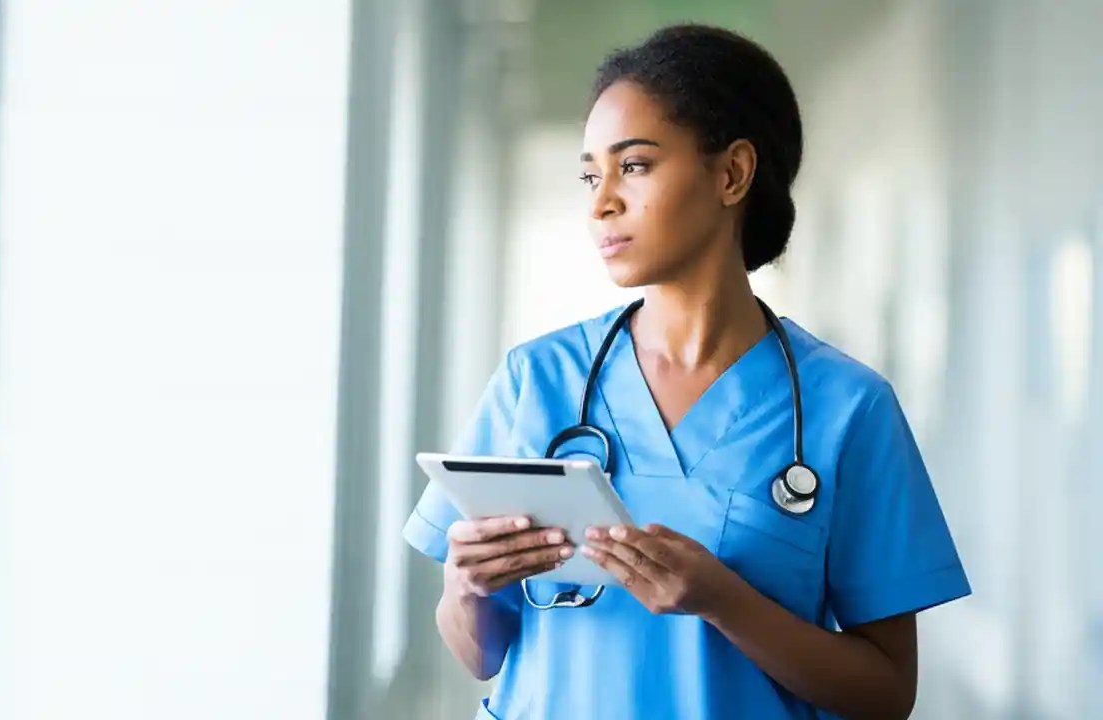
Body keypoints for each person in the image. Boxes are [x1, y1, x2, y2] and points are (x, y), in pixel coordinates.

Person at [401, 23, 970, 720]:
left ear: (731, 173)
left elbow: (885, 694)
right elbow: (481, 654)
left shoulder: (846, 409)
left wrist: (725, 602)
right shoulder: (537, 380)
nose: (601, 201)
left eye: (633, 166)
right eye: (590, 174)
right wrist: (464, 586)